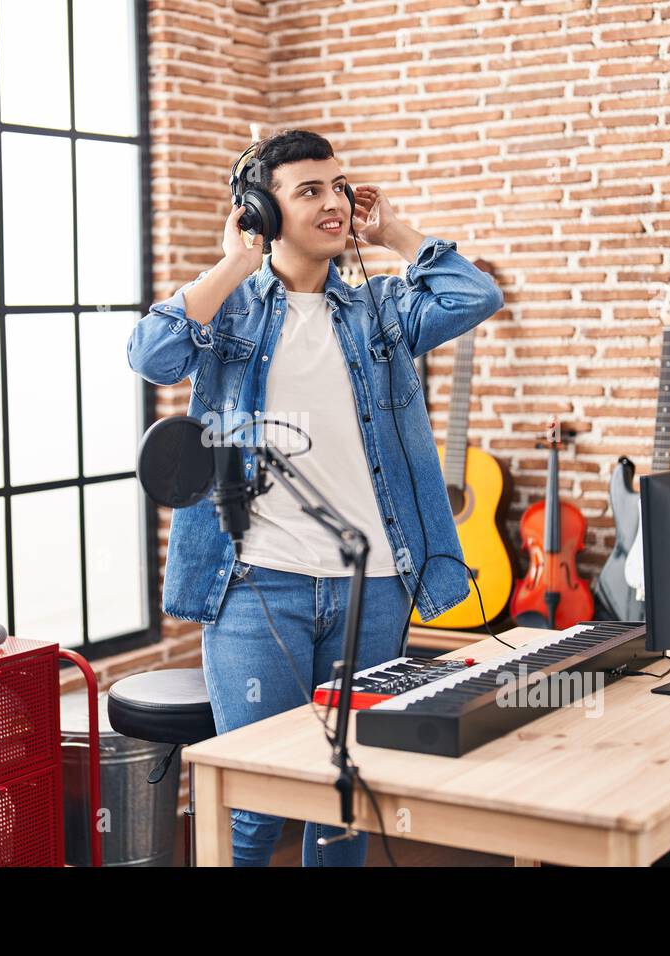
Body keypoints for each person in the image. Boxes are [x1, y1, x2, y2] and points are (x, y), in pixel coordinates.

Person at [127, 129, 503, 866]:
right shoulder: (232, 314)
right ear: (262, 210)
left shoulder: (379, 311)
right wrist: (236, 262)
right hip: (257, 583)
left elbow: (474, 293)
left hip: (374, 586)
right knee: (260, 799)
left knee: (342, 801)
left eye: (338, 186)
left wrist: (390, 229)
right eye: (310, 191)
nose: (333, 203)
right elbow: (151, 354)